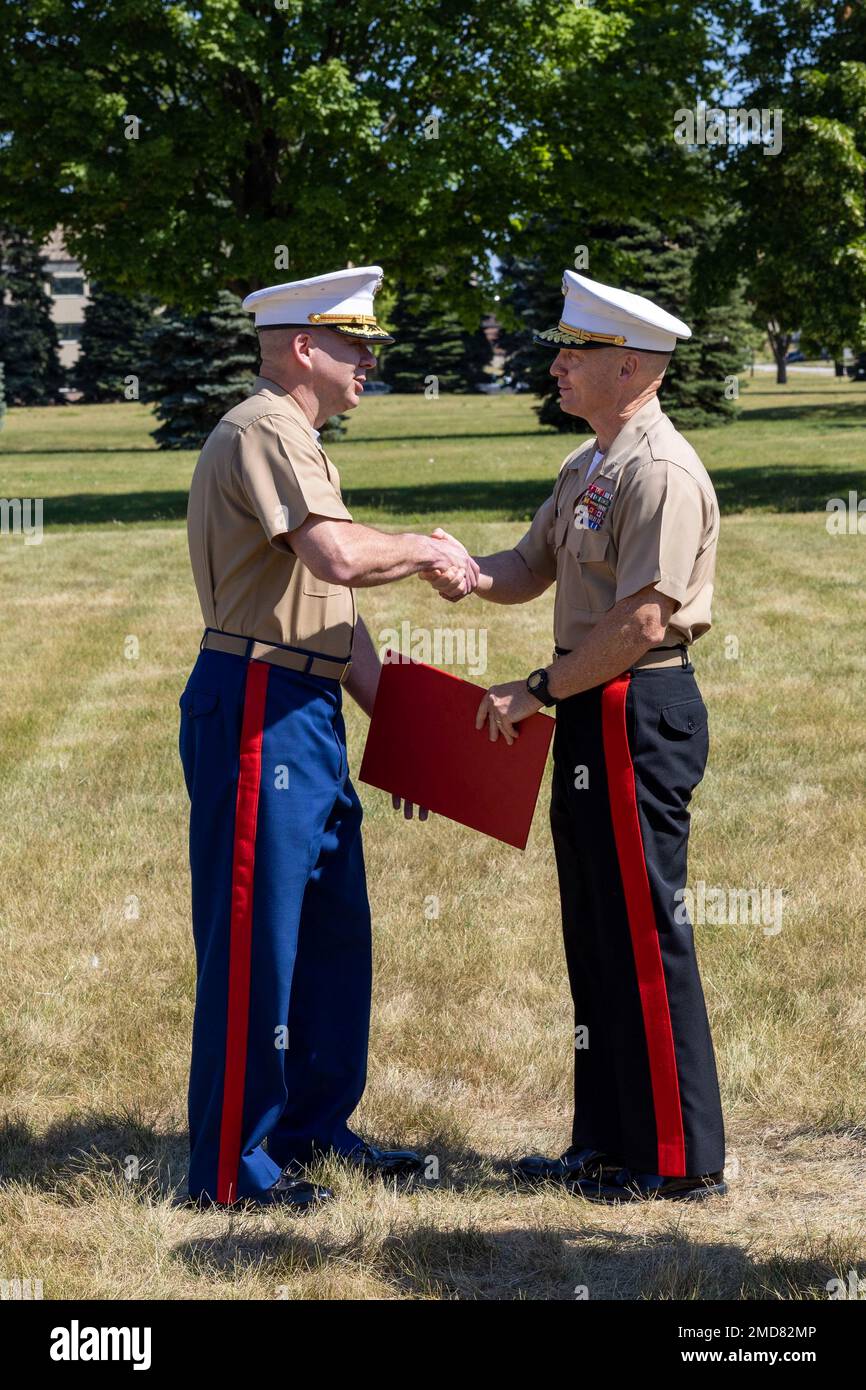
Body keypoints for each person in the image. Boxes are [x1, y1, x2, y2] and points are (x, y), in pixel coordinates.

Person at [424, 270, 726, 1203]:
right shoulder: (588, 464)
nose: (557, 365)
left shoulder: (661, 471)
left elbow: (641, 621)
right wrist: (468, 575)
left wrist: (536, 689)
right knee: (594, 934)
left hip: (637, 709)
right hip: (594, 711)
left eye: (576, 353)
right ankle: (604, 1145)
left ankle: (677, 1162)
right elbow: (529, 565)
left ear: (630, 364)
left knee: (644, 934)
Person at [181, 266, 479, 1208]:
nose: (371, 363)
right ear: (304, 347)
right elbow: (338, 555)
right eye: (356, 346)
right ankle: (232, 1170)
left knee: (330, 937)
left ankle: (311, 1132)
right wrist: (431, 549)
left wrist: (402, 730)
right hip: (260, 702)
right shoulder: (266, 426)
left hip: (301, 706)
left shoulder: (297, 438)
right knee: (258, 942)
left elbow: (333, 611)